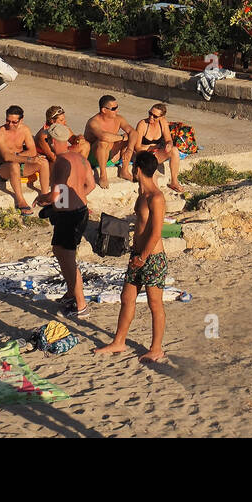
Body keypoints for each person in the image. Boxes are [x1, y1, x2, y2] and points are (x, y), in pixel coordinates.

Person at [92, 151, 169, 364]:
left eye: (133, 166)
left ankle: (156, 349)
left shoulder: (156, 197)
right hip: (138, 255)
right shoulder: (141, 195)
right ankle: (119, 341)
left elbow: (155, 233)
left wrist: (143, 257)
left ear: (138, 169)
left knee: (155, 304)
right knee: (127, 299)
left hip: (151, 258)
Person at [36, 132, 96, 317]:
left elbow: (55, 195)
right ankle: (71, 293)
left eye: (47, 141)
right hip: (78, 211)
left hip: (70, 215)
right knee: (59, 251)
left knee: (68, 258)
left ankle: (81, 305)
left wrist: (41, 199)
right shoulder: (80, 158)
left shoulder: (61, 161)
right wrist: (75, 199)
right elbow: (91, 185)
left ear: (53, 140)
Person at [0, 105, 44, 214]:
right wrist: (28, 159)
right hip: (2, 166)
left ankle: (44, 197)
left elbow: (33, 151)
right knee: (14, 165)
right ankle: (20, 201)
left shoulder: (25, 129)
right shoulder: (0, 133)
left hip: (19, 163)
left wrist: (16, 156)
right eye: (8, 121)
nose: (10, 124)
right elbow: (6, 157)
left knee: (43, 162)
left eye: (14, 122)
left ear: (21, 120)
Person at [128, 102, 184, 193]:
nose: (151, 117)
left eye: (155, 116)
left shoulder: (163, 123)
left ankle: (174, 181)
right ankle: (154, 196)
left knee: (174, 150)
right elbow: (137, 147)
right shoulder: (142, 124)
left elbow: (169, 139)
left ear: (162, 117)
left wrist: (169, 144)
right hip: (142, 154)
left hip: (155, 153)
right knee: (153, 178)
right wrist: (149, 153)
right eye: (150, 113)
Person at [84, 95, 135, 189]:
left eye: (117, 107)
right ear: (104, 110)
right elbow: (104, 136)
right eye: (113, 108)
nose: (117, 111)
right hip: (95, 158)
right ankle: (103, 175)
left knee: (130, 137)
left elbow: (133, 132)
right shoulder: (93, 122)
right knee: (103, 142)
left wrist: (130, 150)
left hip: (111, 156)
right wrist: (122, 137)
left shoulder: (119, 119)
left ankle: (124, 171)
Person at [36, 105, 73, 171]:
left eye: (64, 119)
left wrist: (79, 138)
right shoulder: (43, 135)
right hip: (46, 159)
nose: (65, 122)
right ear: (52, 121)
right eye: (61, 120)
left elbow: (74, 140)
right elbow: (52, 157)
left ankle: (79, 171)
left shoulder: (62, 127)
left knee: (84, 146)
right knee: (54, 161)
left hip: (58, 155)